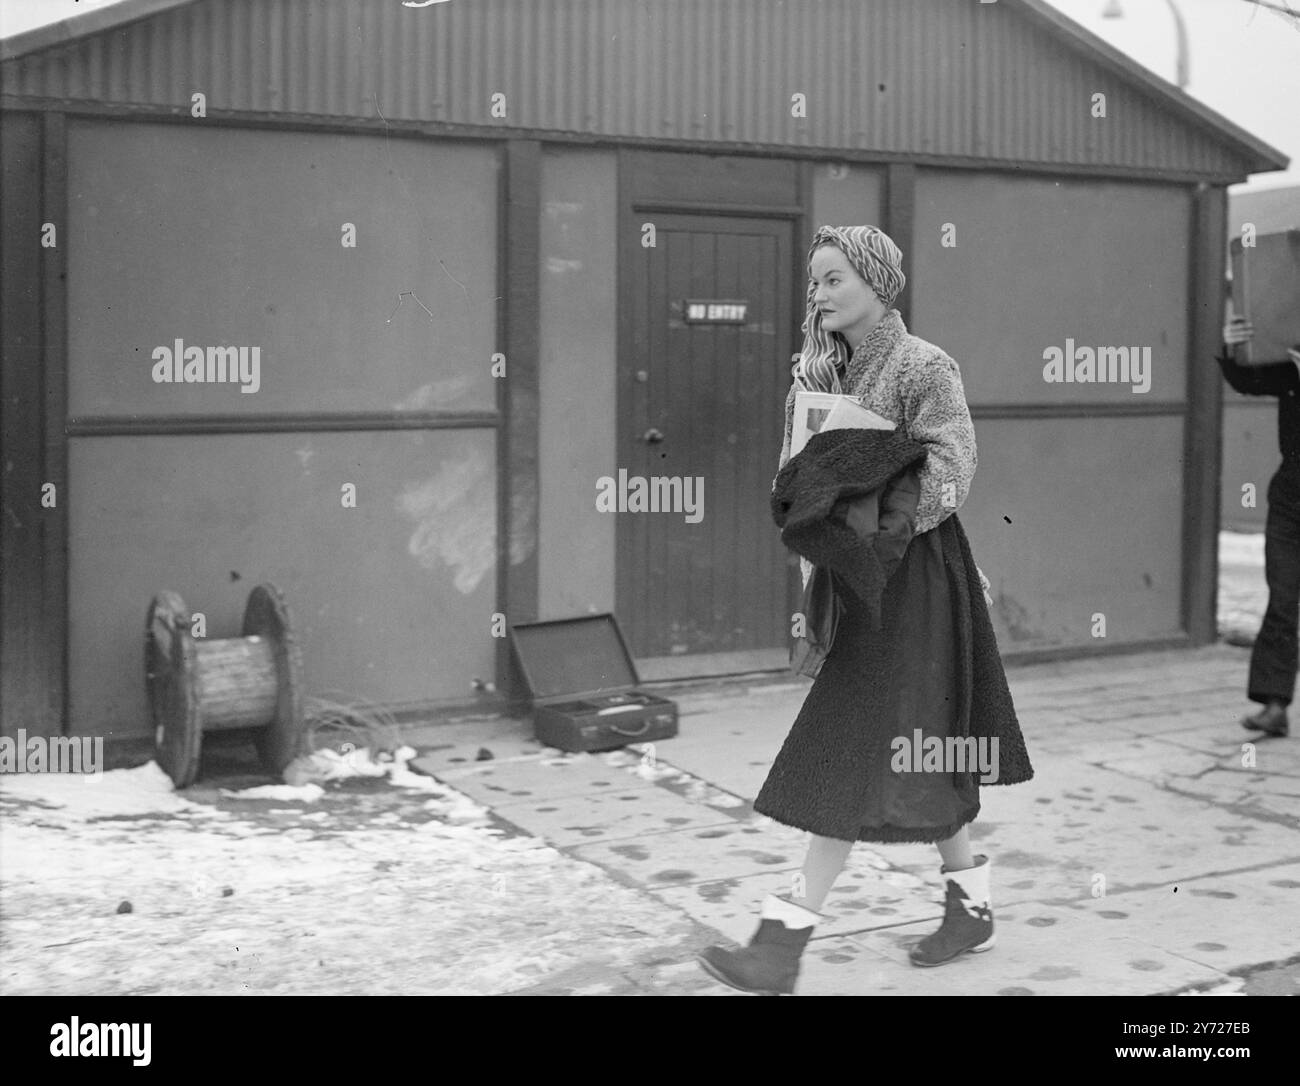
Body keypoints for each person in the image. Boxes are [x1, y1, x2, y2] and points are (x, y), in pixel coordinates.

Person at [696, 225, 1033, 996]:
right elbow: (798, 477)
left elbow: (953, 464)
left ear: (877, 283)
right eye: (815, 282)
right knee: (922, 741)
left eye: (834, 278)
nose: (820, 294)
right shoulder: (816, 377)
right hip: (857, 579)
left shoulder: (924, 366)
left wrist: (879, 516)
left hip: (918, 579)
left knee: (850, 746)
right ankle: (971, 907)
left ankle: (780, 945)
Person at [1217, 315, 1300, 739]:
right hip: (1292, 492)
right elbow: (1248, 381)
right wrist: (1234, 347)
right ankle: (1274, 704)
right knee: (1283, 595)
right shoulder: (1292, 360)